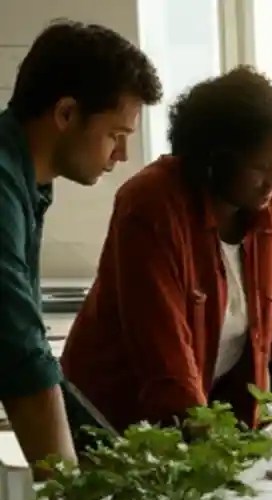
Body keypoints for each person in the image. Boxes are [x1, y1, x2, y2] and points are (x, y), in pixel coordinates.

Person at [60, 67, 272, 437]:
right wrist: (208, 446)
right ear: (213, 160)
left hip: (208, 408)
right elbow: (164, 357)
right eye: (258, 167)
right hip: (116, 418)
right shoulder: (151, 205)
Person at [0, 21, 160, 469]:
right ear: (66, 114)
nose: (122, 156)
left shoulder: (25, 183)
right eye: (116, 135)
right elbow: (19, 351)